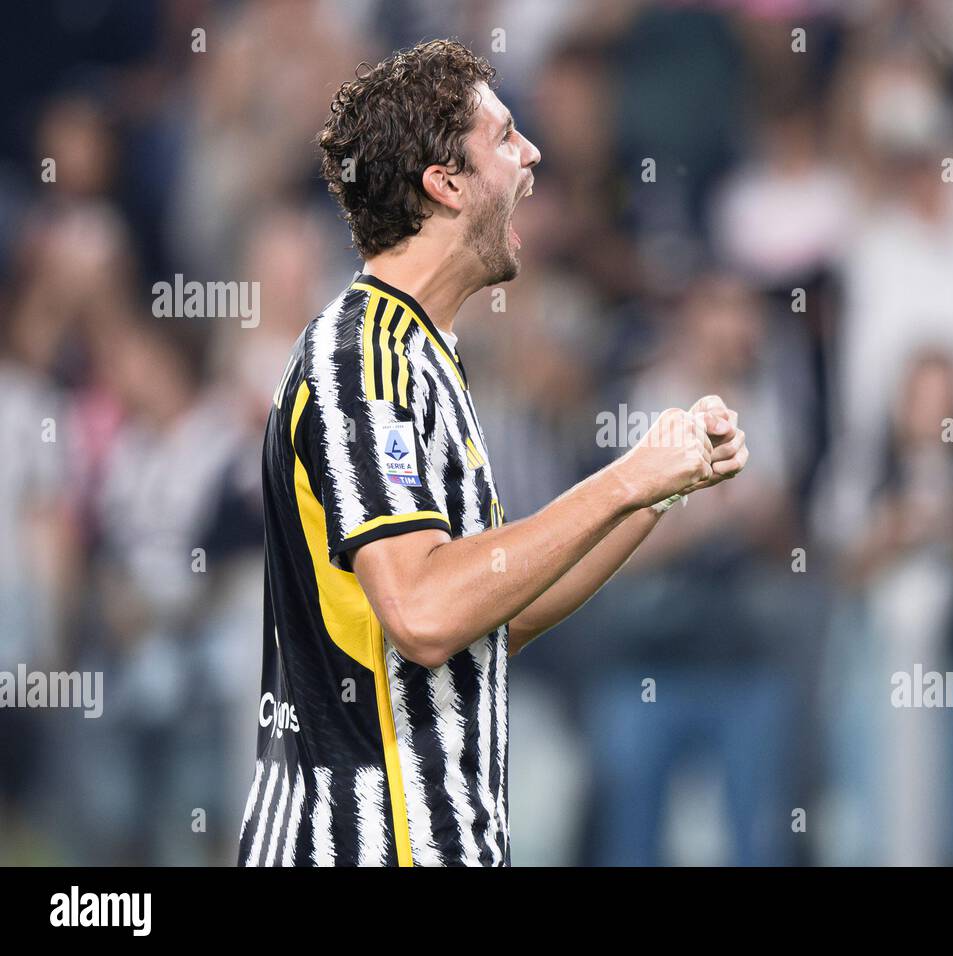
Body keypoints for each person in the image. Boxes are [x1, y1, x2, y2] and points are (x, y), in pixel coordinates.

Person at [236, 39, 749, 867]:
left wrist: (656, 491)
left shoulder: (423, 355)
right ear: (445, 183)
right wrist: (626, 474)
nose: (533, 153)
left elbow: (492, 622)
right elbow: (427, 614)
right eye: (505, 138)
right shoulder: (361, 358)